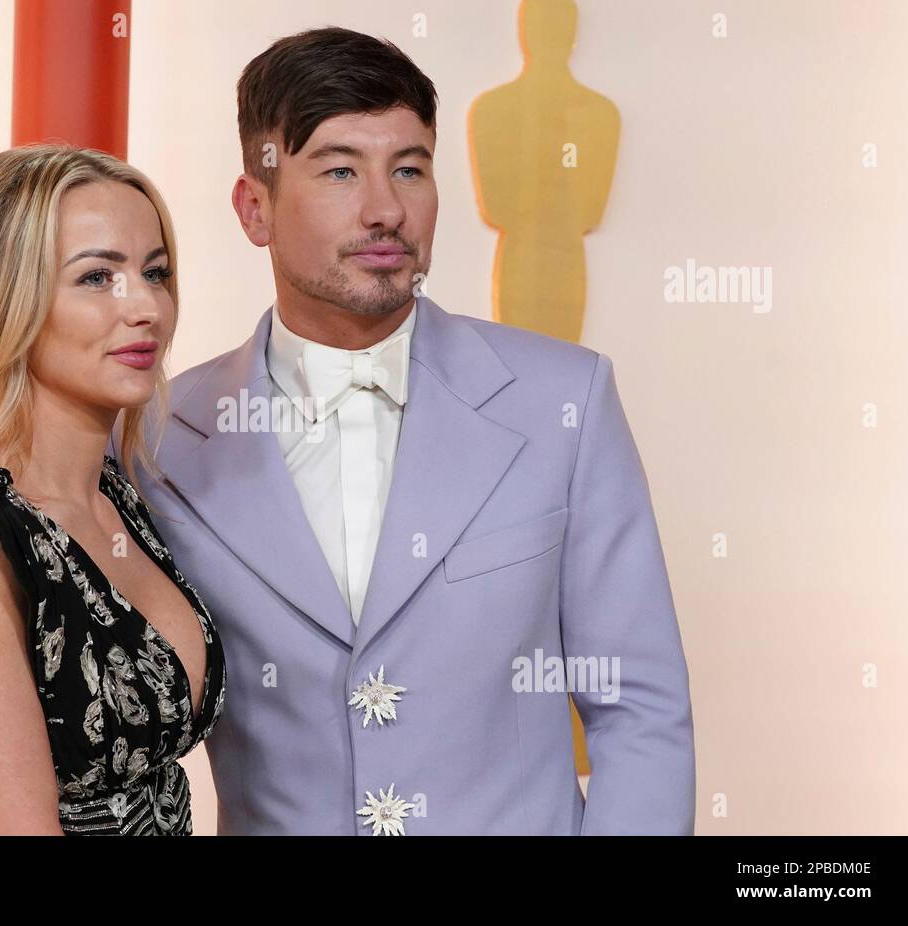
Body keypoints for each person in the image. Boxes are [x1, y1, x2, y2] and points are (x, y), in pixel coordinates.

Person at [115, 27, 695, 835]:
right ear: (256, 208)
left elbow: (639, 709)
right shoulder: (157, 440)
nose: (386, 210)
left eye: (411, 168)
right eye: (341, 169)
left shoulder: (565, 400)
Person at [0, 144, 225, 835]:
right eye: (97, 278)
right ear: (1, 302)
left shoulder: (117, 498)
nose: (145, 306)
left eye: (156, 272)